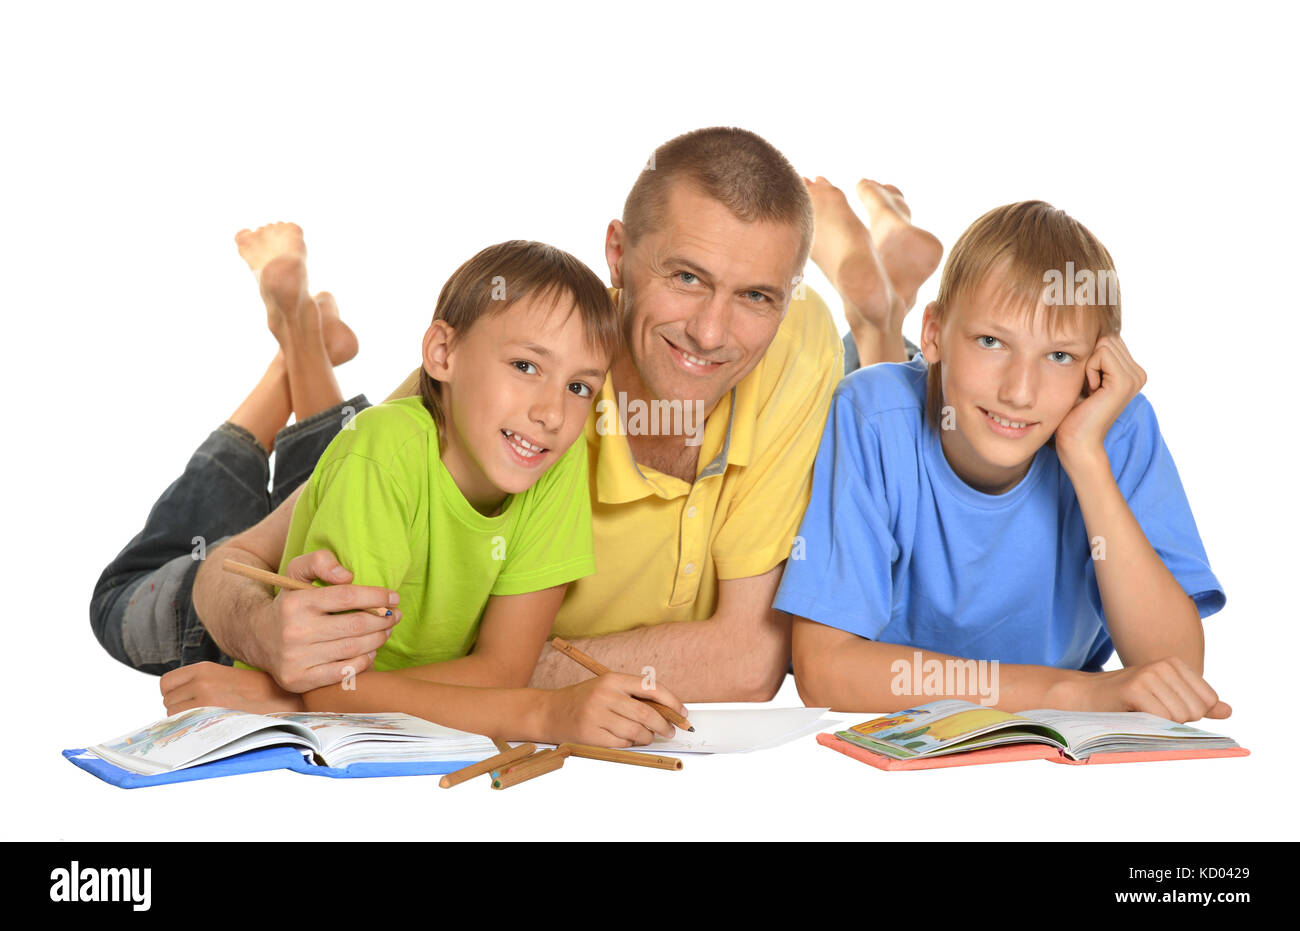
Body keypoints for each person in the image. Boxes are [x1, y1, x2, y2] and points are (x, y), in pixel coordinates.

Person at [92, 127, 941, 705]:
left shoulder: (794, 345)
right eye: (685, 278)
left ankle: (300, 339)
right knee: (133, 603)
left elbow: (751, 659)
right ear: (617, 255)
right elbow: (239, 560)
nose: (714, 333)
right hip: (356, 547)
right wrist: (276, 653)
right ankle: (293, 344)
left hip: (406, 612)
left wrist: (401, 686)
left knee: (341, 451)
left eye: (754, 293)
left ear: (788, 293)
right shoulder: (538, 358)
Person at [164, 231, 688, 746]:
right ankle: (294, 337)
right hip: (208, 622)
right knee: (155, 562)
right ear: (442, 352)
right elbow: (336, 687)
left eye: (579, 387)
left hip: (304, 643)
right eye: (525, 366)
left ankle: (305, 337)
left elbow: (501, 671)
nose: (552, 413)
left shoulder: (552, 457)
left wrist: (304, 697)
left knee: (322, 449)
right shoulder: (383, 451)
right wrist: (547, 712)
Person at [776, 200, 1230, 724]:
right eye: (991, 341)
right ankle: (878, 313)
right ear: (935, 332)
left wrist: (1085, 458)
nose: (1020, 391)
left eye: (1059, 356)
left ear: (1095, 368)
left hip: (947, 399)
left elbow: (1172, 674)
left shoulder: (1112, 427)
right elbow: (825, 672)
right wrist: (1069, 692)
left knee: (931, 402)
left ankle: (889, 301)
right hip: (909, 396)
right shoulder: (870, 414)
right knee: (886, 389)